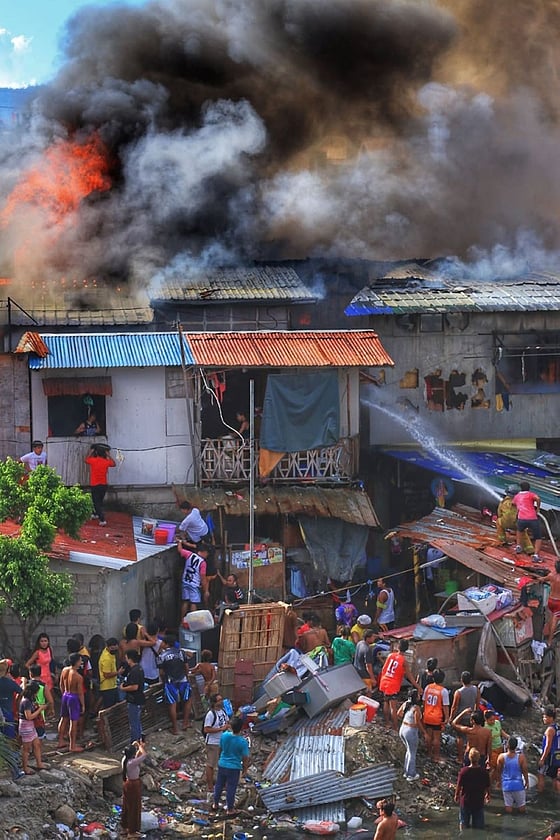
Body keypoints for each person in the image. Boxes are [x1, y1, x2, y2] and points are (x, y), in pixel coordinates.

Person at [379, 639, 420, 731]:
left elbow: (383, 669)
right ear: (406, 649)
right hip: (393, 685)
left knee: (385, 702)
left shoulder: (390, 655)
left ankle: (387, 723)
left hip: (385, 681)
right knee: (393, 707)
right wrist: (418, 687)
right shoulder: (403, 661)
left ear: (398, 647)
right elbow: (410, 677)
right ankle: (395, 727)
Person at [212, 716, 250, 817]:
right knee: (231, 788)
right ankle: (230, 809)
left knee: (219, 784)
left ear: (231, 727)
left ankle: (215, 804)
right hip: (234, 767)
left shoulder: (224, 735)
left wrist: (220, 759)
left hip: (222, 764)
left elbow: (220, 749)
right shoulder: (243, 742)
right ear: (241, 728)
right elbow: (245, 758)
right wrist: (245, 770)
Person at [157, 635, 192, 733]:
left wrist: (164, 681)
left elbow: (161, 672)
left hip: (170, 682)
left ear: (166, 643)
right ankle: (185, 723)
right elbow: (186, 667)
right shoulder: (181, 653)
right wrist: (186, 677)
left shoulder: (162, 656)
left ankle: (175, 728)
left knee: (172, 704)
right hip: (183, 680)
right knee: (188, 700)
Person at [454, 747, 491, 830]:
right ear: (479, 758)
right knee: (478, 827)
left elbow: (459, 786)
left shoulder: (464, 771)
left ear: (469, 758)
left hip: (466, 801)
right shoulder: (484, 772)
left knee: (463, 823)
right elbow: (487, 786)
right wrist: (488, 795)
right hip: (478, 802)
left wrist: (456, 795)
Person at [203, 693, 230, 797]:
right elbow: (206, 729)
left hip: (222, 741)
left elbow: (227, 722)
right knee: (211, 765)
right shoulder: (210, 714)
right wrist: (220, 729)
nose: (221, 701)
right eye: (219, 700)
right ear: (215, 703)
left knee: (222, 764)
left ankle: (222, 784)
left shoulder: (222, 711)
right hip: (213, 743)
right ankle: (210, 786)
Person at [450, 671, 480, 763]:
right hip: (471, 717)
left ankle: (460, 758)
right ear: (471, 680)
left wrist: (451, 718)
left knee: (460, 737)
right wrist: (475, 714)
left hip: (461, 717)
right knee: (470, 738)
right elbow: (477, 703)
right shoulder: (476, 689)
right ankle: (470, 757)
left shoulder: (458, 692)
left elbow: (454, 707)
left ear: (461, 680)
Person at [57, 652, 85, 752]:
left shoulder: (65, 670)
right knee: (73, 722)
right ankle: (72, 745)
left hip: (65, 694)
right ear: (77, 662)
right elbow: (80, 693)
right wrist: (83, 705)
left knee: (63, 719)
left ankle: (60, 741)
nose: (81, 662)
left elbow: (60, 684)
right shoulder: (78, 677)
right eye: (80, 660)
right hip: (73, 697)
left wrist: (64, 694)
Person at [18, 681, 48, 774]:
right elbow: (29, 716)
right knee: (26, 749)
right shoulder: (26, 701)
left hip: (31, 726)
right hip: (26, 726)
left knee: (37, 744)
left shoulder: (30, 700)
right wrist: (40, 709)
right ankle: (25, 768)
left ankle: (39, 763)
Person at [120, 738, 147, 839]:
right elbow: (144, 755)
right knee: (134, 807)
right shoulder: (131, 763)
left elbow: (137, 757)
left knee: (127, 806)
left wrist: (138, 746)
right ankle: (132, 831)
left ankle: (125, 827)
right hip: (133, 785)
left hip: (127, 783)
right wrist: (140, 746)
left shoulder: (125, 760)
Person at [398, 689, 426, 782]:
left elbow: (398, 713)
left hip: (402, 728)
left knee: (409, 751)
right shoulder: (416, 708)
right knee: (412, 753)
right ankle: (411, 774)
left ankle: (406, 772)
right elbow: (417, 722)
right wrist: (424, 733)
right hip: (411, 731)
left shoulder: (406, 704)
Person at [422, 668, 449, 762]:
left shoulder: (427, 687)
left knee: (429, 735)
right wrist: (447, 718)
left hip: (427, 715)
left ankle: (429, 754)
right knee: (437, 738)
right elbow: (445, 706)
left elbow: (424, 701)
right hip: (437, 717)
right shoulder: (443, 691)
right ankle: (436, 757)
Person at [84, 443, 115, 526]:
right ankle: (95, 514)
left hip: (95, 485)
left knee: (96, 502)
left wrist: (91, 452)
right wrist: (108, 455)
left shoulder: (93, 460)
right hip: (103, 485)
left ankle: (102, 519)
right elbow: (114, 464)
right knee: (99, 502)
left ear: (96, 453)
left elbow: (86, 460)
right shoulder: (106, 461)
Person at [496, 736, 529, 814]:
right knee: (522, 808)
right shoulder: (521, 757)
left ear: (507, 745)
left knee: (508, 808)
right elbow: (525, 771)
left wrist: (498, 781)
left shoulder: (501, 757)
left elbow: (498, 771)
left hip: (506, 785)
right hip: (518, 785)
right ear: (516, 746)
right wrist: (527, 781)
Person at [496, 485, 533, 551]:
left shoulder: (503, 502)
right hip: (517, 524)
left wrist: (502, 518)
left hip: (505, 523)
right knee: (523, 533)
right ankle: (529, 550)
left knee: (498, 522)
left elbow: (499, 513)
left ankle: (502, 540)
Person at [513, 480, 543, 562]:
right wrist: (538, 509)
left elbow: (514, 503)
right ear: (529, 488)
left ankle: (518, 547)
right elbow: (538, 498)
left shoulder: (517, 496)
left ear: (520, 488)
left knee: (519, 531)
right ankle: (536, 555)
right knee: (538, 537)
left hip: (521, 518)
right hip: (532, 518)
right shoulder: (531, 494)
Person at [121, 649, 145, 744]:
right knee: (137, 722)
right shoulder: (139, 668)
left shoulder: (134, 671)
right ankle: (140, 742)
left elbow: (135, 687)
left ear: (130, 659)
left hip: (134, 700)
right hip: (138, 699)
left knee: (134, 723)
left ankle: (135, 744)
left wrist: (123, 688)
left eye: (126, 658)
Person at [179, 542, 210, 617]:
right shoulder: (202, 563)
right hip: (194, 584)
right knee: (193, 603)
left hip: (185, 582)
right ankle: (193, 621)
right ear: (204, 552)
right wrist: (205, 590)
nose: (207, 555)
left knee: (185, 602)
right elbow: (202, 577)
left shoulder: (189, 554)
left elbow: (180, 550)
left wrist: (179, 542)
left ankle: (182, 620)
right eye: (207, 553)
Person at [538, 706, 560, 790]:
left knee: (540, 775)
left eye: (545, 717)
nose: (544, 719)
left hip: (549, 756)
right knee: (555, 777)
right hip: (556, 756)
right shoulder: (557, 727)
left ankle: (540, 794)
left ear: (551, 718)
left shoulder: (549, 730)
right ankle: (556, 795)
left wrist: (542, 759)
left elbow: (548, 746)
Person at [28, 664, 54, 735]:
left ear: (30, 674)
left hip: (28, 712)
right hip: (40, 714)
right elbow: (50, 701)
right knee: (39, 735)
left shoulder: (27, 684)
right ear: (40, 673)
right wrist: (51, 710)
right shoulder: (43, 685)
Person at [484, 708, 509, 784]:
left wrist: (507, 737)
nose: (493, 721)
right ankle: (489, 784)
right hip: (492, 749)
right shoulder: (485, 727)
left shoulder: (497, 723)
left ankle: (497, 782)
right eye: (491, 720)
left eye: (493, 719)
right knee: (493, 767)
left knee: (500, 766)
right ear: (486, 720)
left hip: (500, 748)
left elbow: (501, 731)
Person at [0, 658, 22, 739]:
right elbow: (21, 692)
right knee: (9, 736)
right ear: (8, 670)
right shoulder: (10, 683)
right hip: (7, 712)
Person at [98, 638, 122, 710]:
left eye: (116, 648)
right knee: (109, 709)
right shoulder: (106, 658)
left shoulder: (110, 653)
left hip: (112, 685)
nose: (114, 650)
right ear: (108, 647)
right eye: (112, 648)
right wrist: (118, 672)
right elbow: (106, 675)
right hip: (108, 687)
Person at [542, 560, 560, 644]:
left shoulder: (551, 575)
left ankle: (547, 635)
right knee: (554, 622)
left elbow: (542, 579)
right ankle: (549, 641)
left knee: (551, 619)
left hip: (550, 600)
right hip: (558, 602)